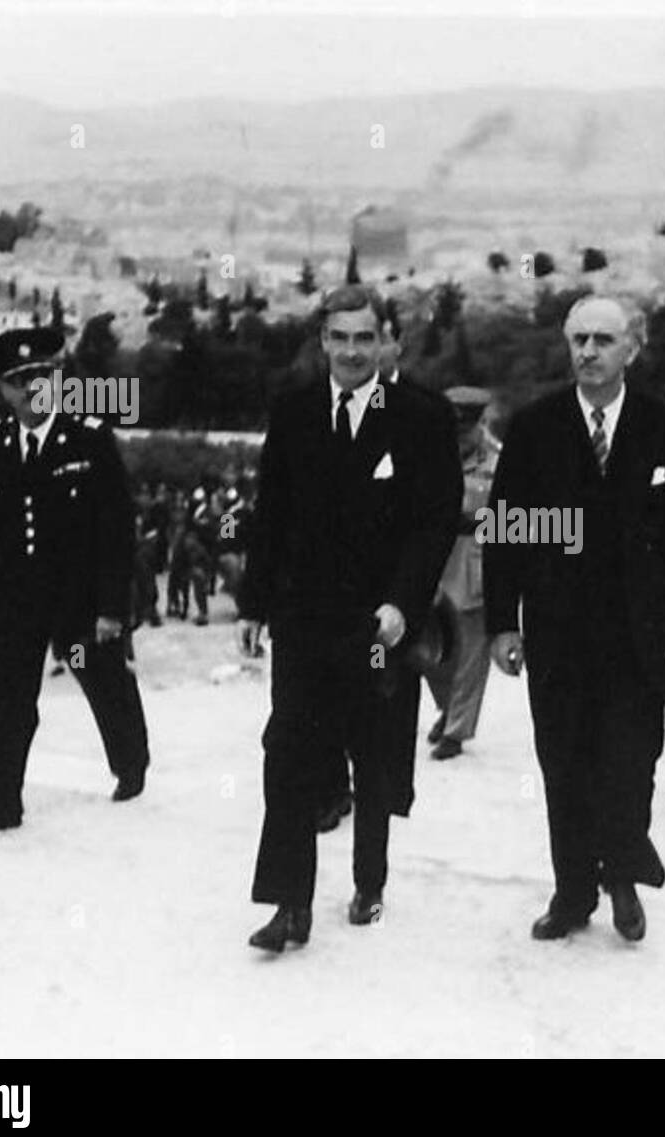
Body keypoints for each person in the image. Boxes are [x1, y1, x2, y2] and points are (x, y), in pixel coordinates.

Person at [238, 285, 460, 953]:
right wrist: (253, 605)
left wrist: (402, 603)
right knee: (288, 751)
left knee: (374, 752)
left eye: (367, 337)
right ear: (323, 342)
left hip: (379, 625)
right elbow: (270, 515)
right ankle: (289, 904)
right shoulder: (296, 412)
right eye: (341, 338)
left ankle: (369, 880)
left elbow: (433, 522)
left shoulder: (419, 416)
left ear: (387, 341)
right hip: (304, 620)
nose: (353, 351)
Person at [484, 296, 665, 944]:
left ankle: (625, 870)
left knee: (632, 766)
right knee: (566, 767)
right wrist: (503, 622)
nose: (588, 352)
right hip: (558, 634)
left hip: (640, 639)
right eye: (578, 339)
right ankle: (574, 892)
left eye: (603, 339)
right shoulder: (534, 427)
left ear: (632, 347)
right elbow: (504, 531)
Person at [0, 326, 150, 839]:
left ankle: (130, 763)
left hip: (80, 601)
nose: (32, 390)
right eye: (18, 381)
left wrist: (113, 606)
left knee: (104, 681)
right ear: (2, 389)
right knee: (2, 696)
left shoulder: (88, 436)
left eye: (42, 377)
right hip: (15, 602)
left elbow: (117, 527)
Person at [423, 386, 499, 760]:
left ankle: (457, 730)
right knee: (428, 646)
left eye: (466, 430)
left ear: (480, 424)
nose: (460, 438)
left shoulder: (500, 462)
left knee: (471, 651)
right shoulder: (429, 454)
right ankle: (447, 706)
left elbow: (517, 519)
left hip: (475, 561)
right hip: (433, 558)